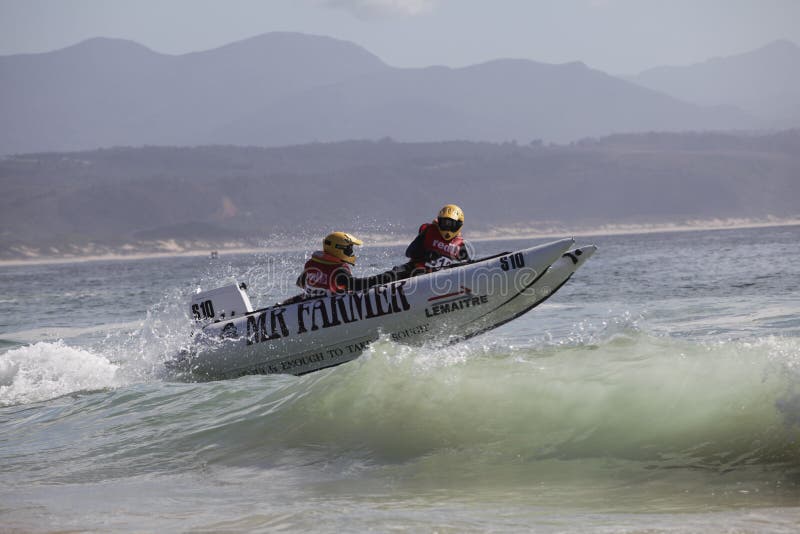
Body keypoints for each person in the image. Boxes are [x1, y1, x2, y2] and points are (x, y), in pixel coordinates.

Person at [295, 231, 388, 297]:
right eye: (349, 249)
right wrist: (389, 276)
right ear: (338, 249)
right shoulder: (338, 271)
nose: (351, 252)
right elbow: (356, 285)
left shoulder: (311, 264)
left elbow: (300, 282)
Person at [404, 204, 471, 272]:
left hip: (439, 277)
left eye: (451, 224)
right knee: (396, 271)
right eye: (444, 223)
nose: (447, 227)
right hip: (416, 270)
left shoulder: (459, 244)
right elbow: (409, 252)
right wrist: (427, 254)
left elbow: (467, 266)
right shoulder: (429, 231)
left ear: (458, 225)